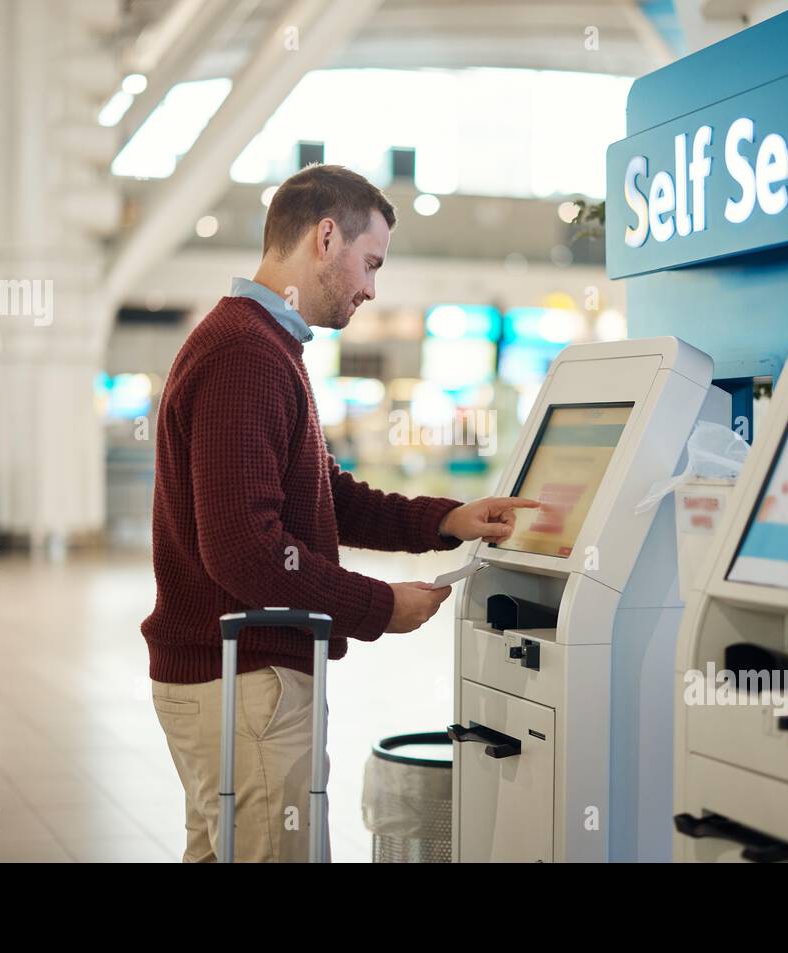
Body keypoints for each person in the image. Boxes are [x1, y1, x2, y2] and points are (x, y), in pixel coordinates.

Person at [141, 163, 537, 862]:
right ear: (326, 237)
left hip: (233, 677)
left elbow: (331, 498)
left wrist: (448, 520)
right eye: (369, 262)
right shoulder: (246, 354)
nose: (370, 287)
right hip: (246, 680)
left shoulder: (265, 347)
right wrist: (378, 606)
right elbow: (245, 549)